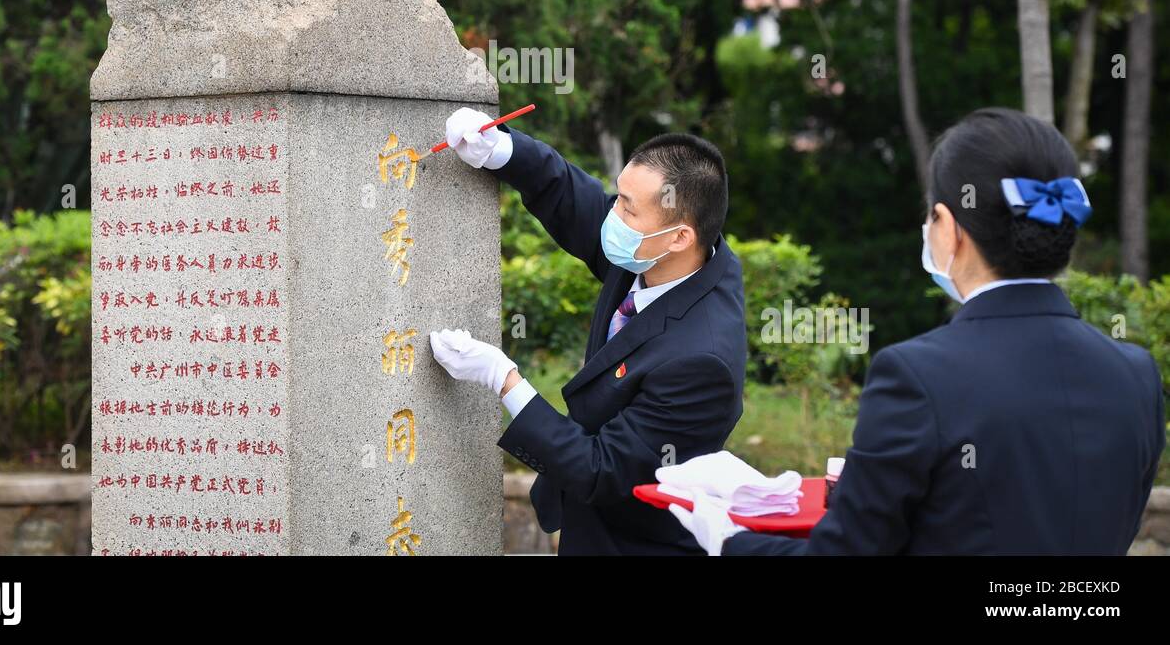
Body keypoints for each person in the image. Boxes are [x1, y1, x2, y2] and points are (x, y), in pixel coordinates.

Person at [672, 107, 1165, 556]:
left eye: (929, 215)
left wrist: (729, 540)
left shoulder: (917, 375)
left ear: (948, 227)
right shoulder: (1136, 373)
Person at [430, 108, 745, 555]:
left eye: (627, 210)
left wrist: (504, 381)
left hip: (637, 541)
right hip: (586, 518)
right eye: (619, 196)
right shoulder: (670, 256)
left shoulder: (701, 362)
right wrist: (502, 150)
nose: (612, 216)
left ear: (680, 237)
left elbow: (601, 469)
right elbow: (578, 203)